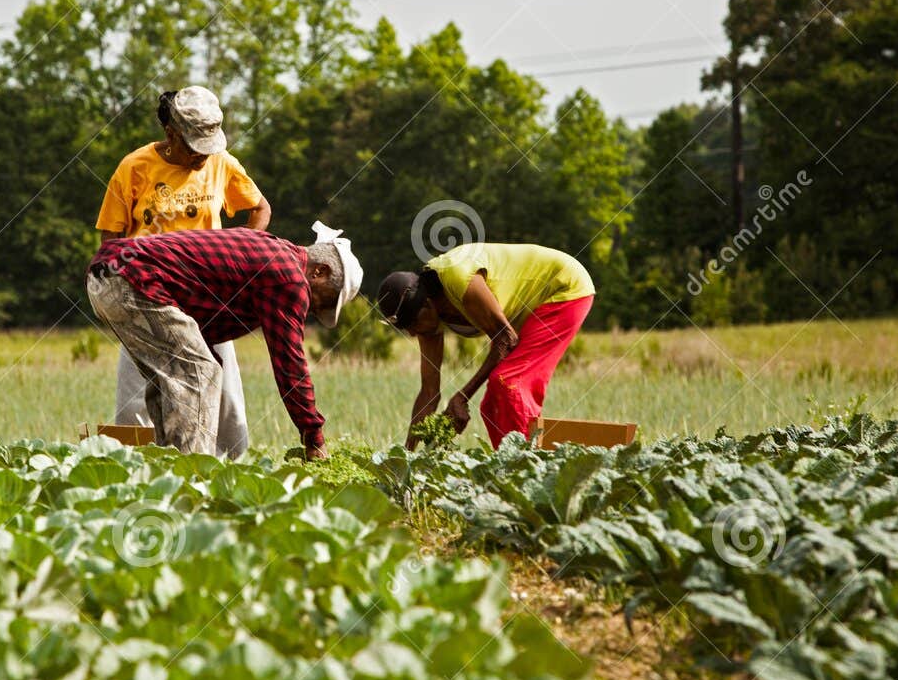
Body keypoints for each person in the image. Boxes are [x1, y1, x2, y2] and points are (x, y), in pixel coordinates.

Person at [95, 86, 271, 458]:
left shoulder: (220, 162)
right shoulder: (134, 168)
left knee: (225, 399)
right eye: (194, 145)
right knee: (134, 403)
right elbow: (110, 241)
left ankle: (226, 473)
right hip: (148, 299)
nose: (202, 156)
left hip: (209, 300)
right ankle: (137, 470)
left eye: (209, 145)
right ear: (171, 133)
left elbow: (259, 208)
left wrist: (238, 263)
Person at [87, 223, 362, 459]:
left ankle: (164, 467)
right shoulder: (289, 279)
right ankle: (191, 479)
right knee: (199, 373)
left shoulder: (272, 249)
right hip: (134, 279)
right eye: (324, 300)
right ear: (319, 272)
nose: (313, 309)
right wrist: (312, 435)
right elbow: (290, 364)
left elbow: (201, 303)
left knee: (171, 380)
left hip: (109, 274)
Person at [377, 242, 594, 449]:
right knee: (491, 406)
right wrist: (407, 457)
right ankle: (507, 469)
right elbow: (429, 391)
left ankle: (528, 468)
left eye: (413, 324)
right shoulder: (426, 322)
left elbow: (506, 339)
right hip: (524, 315)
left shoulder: (459, 278)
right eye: (406, 329)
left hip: (564, 288)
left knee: (509, 382)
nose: (413, 333)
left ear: (427, 304)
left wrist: (462, 397)